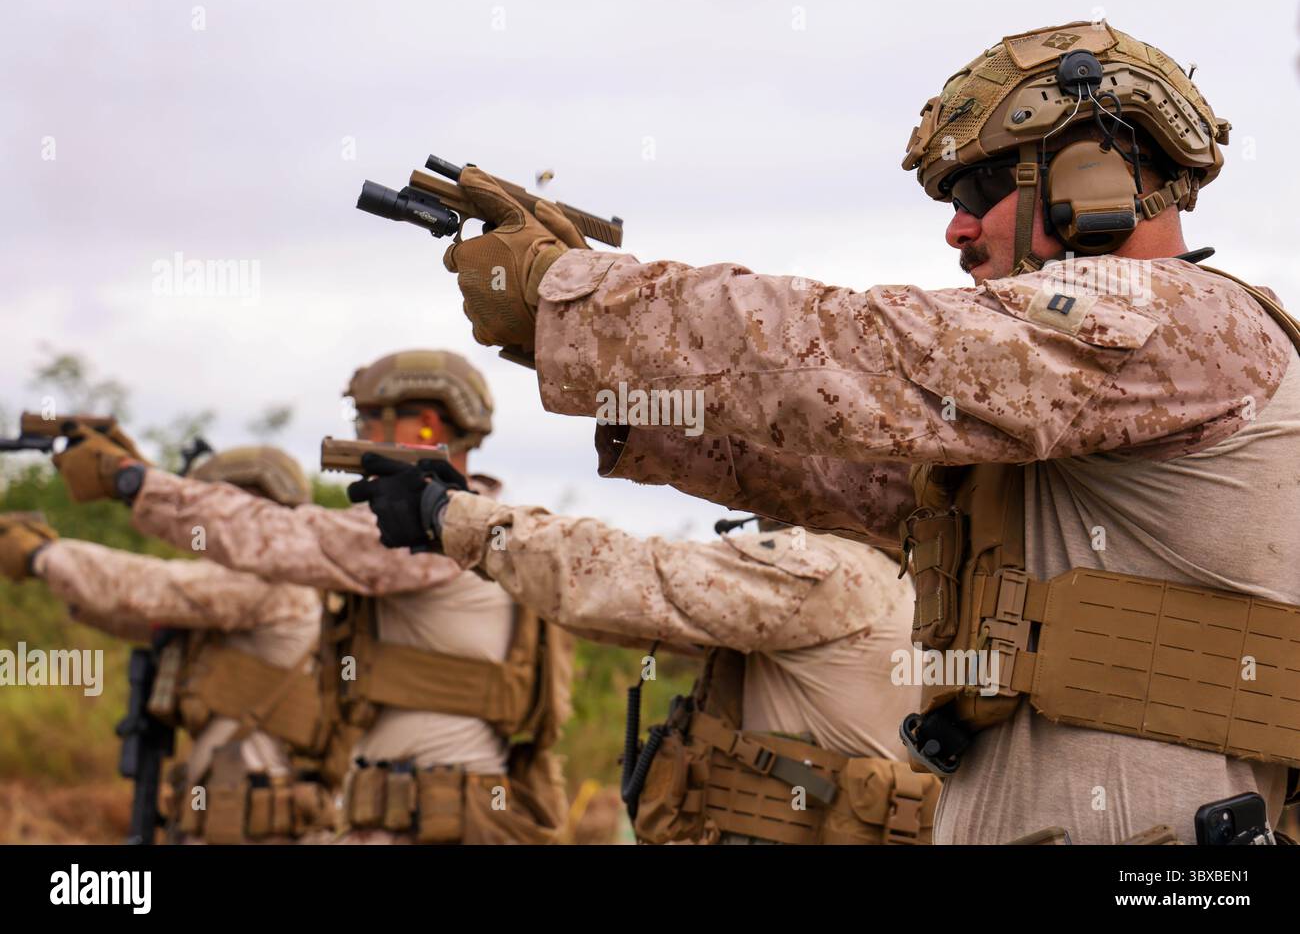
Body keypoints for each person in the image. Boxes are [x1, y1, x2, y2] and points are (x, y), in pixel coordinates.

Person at [431, 20, 1300, 843]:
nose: (958, 228)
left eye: (979, 189)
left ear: (1094, 175)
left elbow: (870, 352)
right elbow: (845, 467)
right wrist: (591, 358)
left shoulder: (1178, 322)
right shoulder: (1077, 424)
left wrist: (582, 301)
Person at [49, 351, 573, 844]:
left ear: (427, 422)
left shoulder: (443, 528)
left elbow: (287, 540)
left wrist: (135, 484)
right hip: (421, 809)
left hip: (434, 813)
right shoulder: (471, 524)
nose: (360, 434)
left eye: (368, 418)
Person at [349, 459, 939, 844]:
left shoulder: (826, 572)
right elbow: (629, 616)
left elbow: (631, 579)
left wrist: (450, 515)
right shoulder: (891, 581)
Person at [0, 446, 331, 844]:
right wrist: (54, 572)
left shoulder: (274, 584)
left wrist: (42, 555)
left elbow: (149, 588)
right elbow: (140, 616)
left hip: (260, 825)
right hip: (231, 818)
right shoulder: (243, 597)